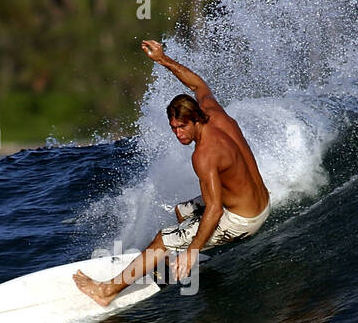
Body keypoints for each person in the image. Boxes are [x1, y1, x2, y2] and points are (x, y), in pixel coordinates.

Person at [73, 40, 271, 306]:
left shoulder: (204, 155)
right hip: (259, 201)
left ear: (194, 120)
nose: (178, 134)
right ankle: (173, 256)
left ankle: (106, 292)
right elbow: (197, 84)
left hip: (242, 219)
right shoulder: (213, 112)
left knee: (162, 239)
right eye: (173, 128)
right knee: (183, 211)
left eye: (182, 127)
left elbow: (214, 210)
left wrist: (191, 251)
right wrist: (163, 59)